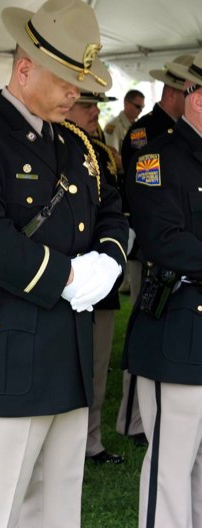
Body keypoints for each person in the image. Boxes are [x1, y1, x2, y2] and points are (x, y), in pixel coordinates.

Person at [0, 0, 128, 526]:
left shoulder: (74, 144)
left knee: (58, 505)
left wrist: (109, 262)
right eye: (67, 79)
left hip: (67, 354)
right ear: (25, 69)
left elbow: (111, 207)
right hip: (5, 356)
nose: (76, 91)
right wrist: (67, 276)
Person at [123, 49, 202, 528]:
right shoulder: (157, 156)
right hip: (175, 323)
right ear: (197, 100)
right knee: (172, 466)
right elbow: (163, 240)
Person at [116, 53, 192, 447]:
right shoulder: (148, 138)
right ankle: (132, 418)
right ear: (181, 93)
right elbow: (140, 197)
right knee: (147, 319)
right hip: (152, 252)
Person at [65, 91, 126, 465]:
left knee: (98, 365)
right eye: (87, 104)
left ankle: (91, 440)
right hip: (61, 279)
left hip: (99, 281)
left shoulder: (98, 153)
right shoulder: (52, 145)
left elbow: (113, 209)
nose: (94, 112)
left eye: (96, 105)